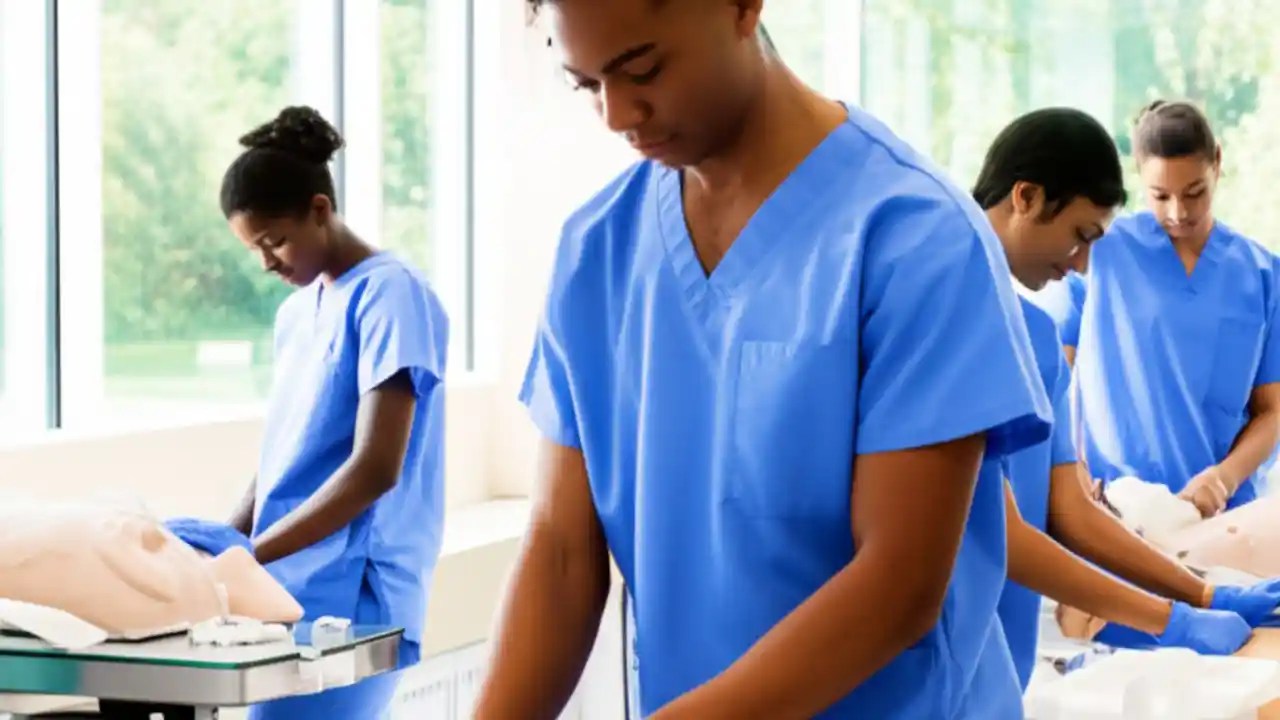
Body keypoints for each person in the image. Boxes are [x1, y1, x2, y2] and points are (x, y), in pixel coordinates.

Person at [476, 2, 1055, 717]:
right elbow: (563, 551)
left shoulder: (913, 237)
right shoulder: (597, 251)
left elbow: (898, 587)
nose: (618, 115)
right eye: (586, 84)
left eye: (643, 69)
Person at [972, 107, 1279, 689]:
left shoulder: (1030, 335)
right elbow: (999, 527)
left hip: (1004, 649)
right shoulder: (959, 308)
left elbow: (1066, 511)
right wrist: (1173, 617)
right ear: (1027, 197)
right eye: (1082, 236)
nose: (1088, 262)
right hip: (955, 640)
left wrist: (1204, 595)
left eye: (1193, 193)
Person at [219, 106, 449, 720]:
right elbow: (284, 456)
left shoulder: (390, 294)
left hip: (356, 597)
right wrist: (225, 542)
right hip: (287, 592)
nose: (268, 262)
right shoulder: (296, 314)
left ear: (320, 210)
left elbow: (376, 467)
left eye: (275, 241)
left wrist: (255, 554)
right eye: (255, 250)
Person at [1037, 100, 1280, 519]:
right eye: (1160, 195)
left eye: (1194, 193)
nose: (1178, 212)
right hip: (1115, 508)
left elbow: (1272, 410)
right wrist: (1068, 466)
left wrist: (1223, 479)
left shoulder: (1263, 276)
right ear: (1138, 173)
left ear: (1217, 163)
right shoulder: (1100, 250)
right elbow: (1054, 375)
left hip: (1222, 514)